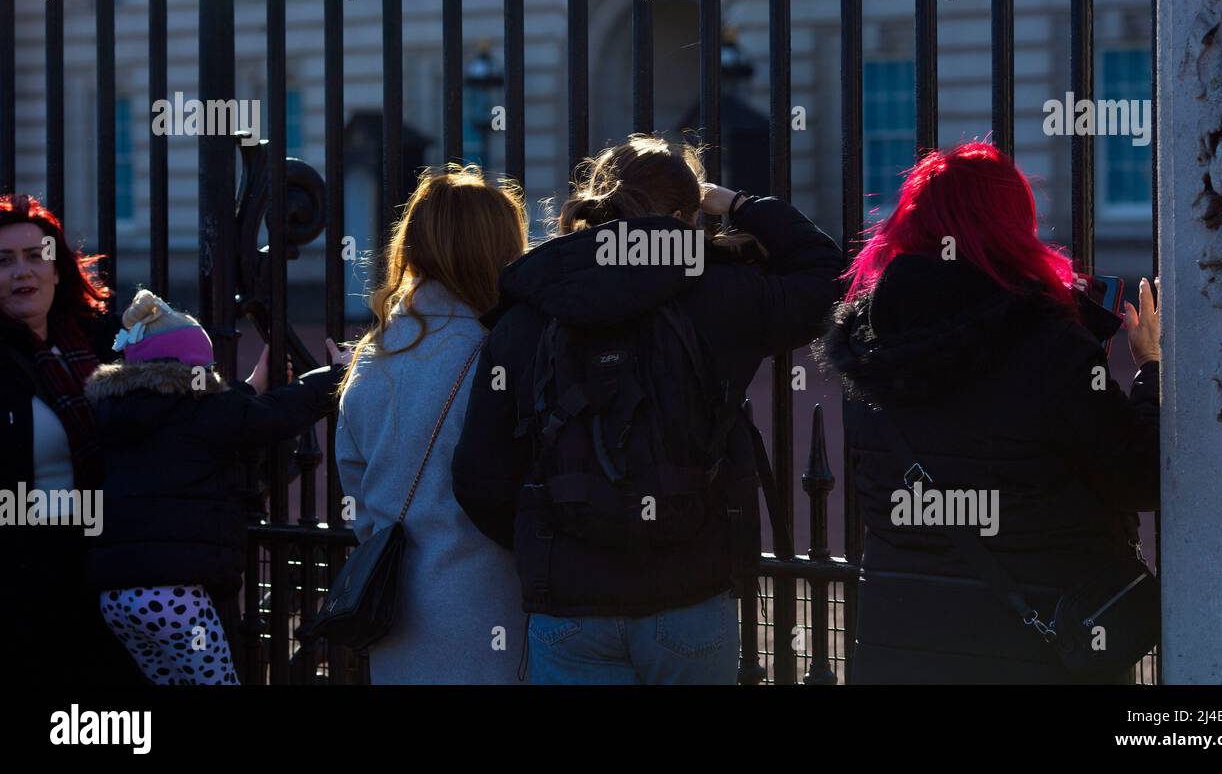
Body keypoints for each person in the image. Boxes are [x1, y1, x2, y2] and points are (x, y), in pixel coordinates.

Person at [452, 134, 841, 684]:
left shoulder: (529, 309)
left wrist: (553, 541)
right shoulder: (720, 293)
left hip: (571, 601)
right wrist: (739, 204)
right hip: (688, 589)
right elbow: (827, 275)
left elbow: (480, 478)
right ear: (684, 216)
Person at [815, 142, 1160, 684]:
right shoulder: (1049, 346)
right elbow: (1141, 478)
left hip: (900, 649)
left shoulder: (868, 342)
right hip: (1036, 654)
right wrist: (1150, 370)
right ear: (1011, 227)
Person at [84, 288, 348, 684]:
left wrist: (251, 386)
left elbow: (211, 416)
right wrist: (334, 377)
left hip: (118, 598)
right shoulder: (203, 409)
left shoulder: (119, 409)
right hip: (175, 599)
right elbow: (272, 415)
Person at [335, 166, 530, 684]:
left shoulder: (372, 357)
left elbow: (356, 490)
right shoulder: (499, 351)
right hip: (493, 605)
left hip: (397, 612)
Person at [0, 192, 145, 684]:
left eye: (34, 256)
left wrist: (254, 390)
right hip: (25, 593)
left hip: (109, 575)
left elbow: (169, 418)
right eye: (3, 261)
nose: (22, 271)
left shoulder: (98, 345)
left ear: (57, 269)